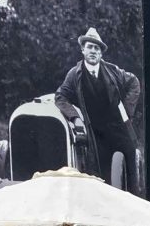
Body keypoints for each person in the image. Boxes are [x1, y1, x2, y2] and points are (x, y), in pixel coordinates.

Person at [54, 27, 142, 193]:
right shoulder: (74, 75)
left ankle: (134, 198)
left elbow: (134, 83)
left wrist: (126, 111)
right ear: (82, 50)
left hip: (118, 126)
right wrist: (75, 117)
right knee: (100, 175)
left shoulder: (113, 71)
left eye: (97, 48)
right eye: (90, 47)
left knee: (131, 156)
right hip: (94, 131)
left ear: (101, 53)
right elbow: (60, 96)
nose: (93, 51)